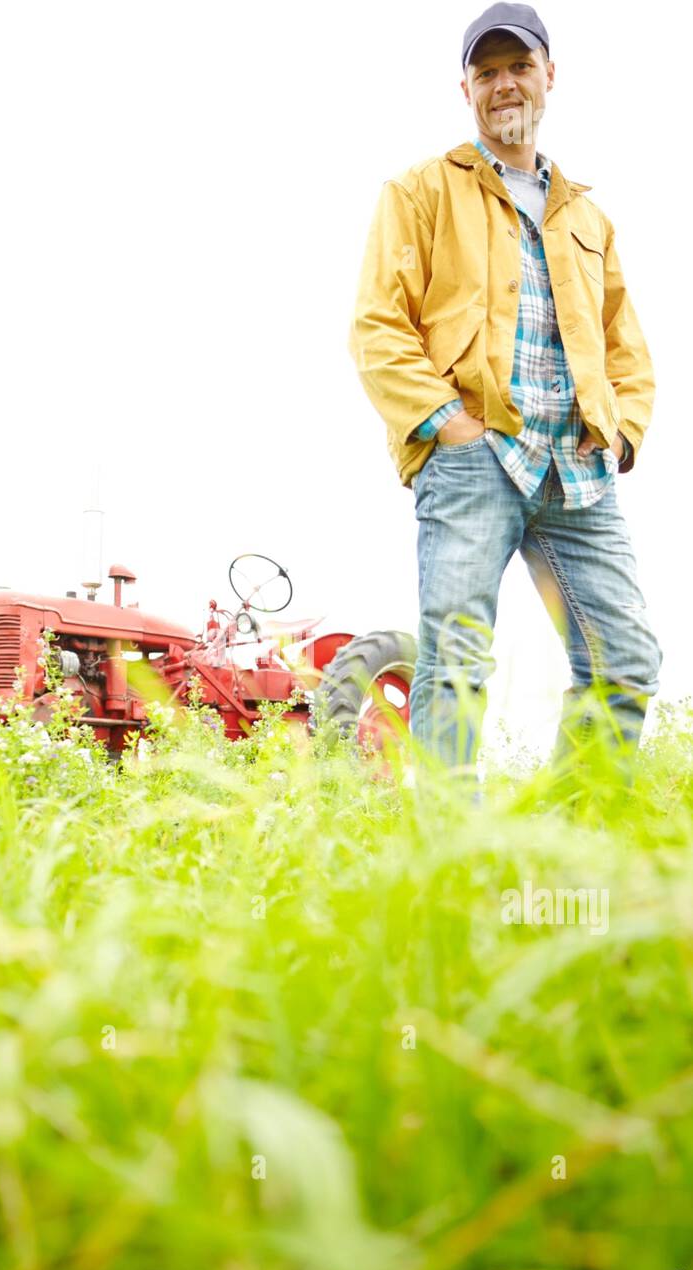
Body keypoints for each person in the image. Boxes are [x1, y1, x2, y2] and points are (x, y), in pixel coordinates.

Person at [348, 2, 662, 790]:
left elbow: (626, 346)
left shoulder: (587, 215)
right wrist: (447, 424)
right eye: (486, 73)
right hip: (475, 458)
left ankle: (562, 845)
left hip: (578, 474)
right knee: (454, 661)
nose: (504, 85)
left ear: (550, 76)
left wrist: (620, 432)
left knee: (624, 662)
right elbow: (378, 326)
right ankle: (448, 864)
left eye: (519, 67)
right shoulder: (419, 191)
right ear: (466, 90)